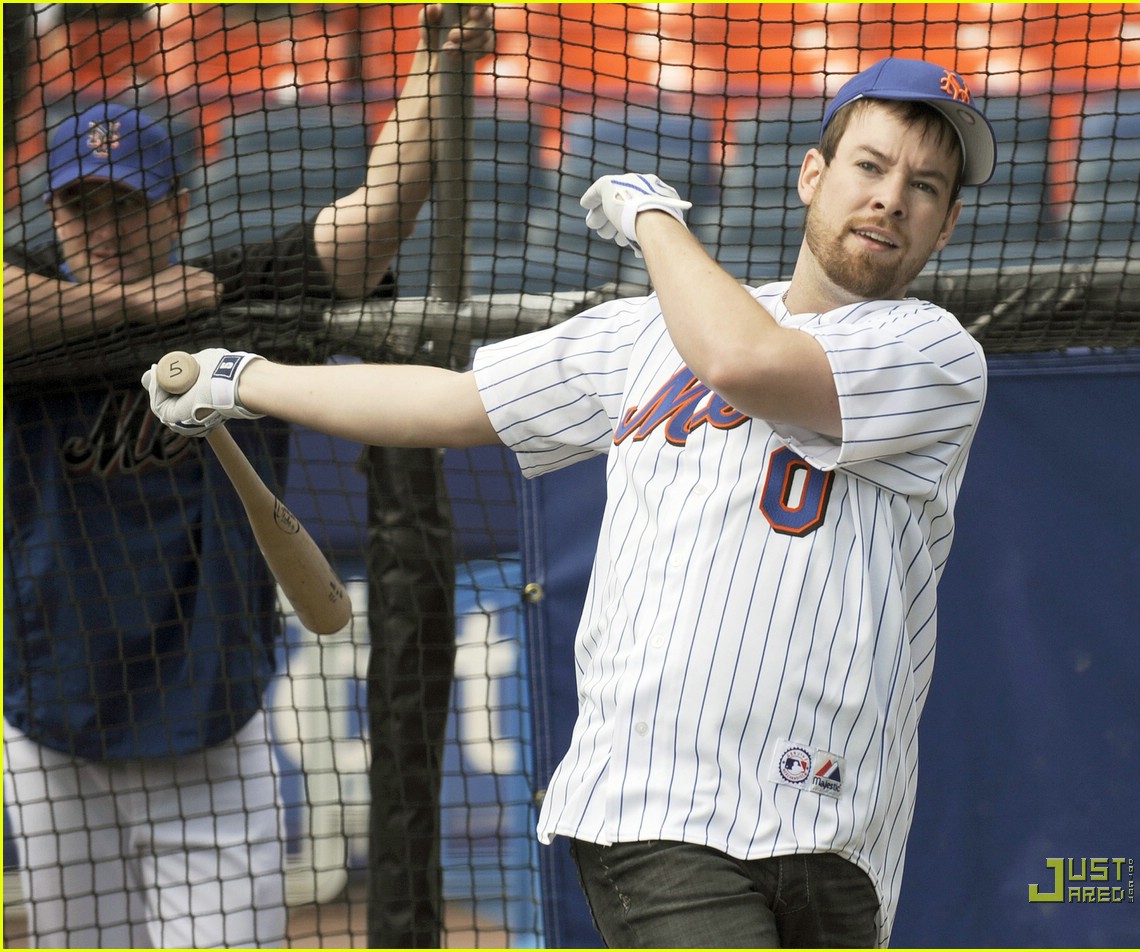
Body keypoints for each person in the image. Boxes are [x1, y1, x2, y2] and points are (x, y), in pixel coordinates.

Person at [142, 56, 997, 948]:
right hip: (658, 806)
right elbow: (449, 404)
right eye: (870, 166)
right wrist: (249, 379)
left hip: (837, 824)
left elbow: (743, 360)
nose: (892, 198)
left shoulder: (933, 353)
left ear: (945, 226)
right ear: (812, 175)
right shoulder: (647, 334)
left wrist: (652, 216)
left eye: (924, 186)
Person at [3, 6, 494, 948]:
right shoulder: (27, 289)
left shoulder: (232, 291)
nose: (102, 225)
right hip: (50, 723)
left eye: (127, 202)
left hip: (210, 728)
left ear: (178, 204)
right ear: (52, 209)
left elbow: (372, 227)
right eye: (82, 204)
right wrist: (129, 302)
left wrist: (436, 63)